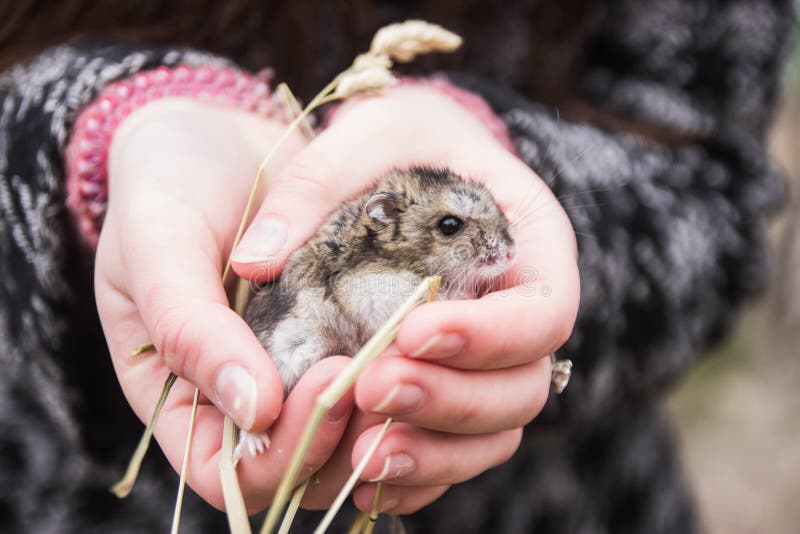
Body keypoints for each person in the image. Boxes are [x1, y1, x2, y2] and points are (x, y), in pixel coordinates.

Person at [0, 1, 790, 532]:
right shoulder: (352, 266)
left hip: (546, 503)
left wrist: (523, 175)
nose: (485, 246)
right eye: (451, 229)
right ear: (383, 227)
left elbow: (714, 184)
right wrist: (107, 139)